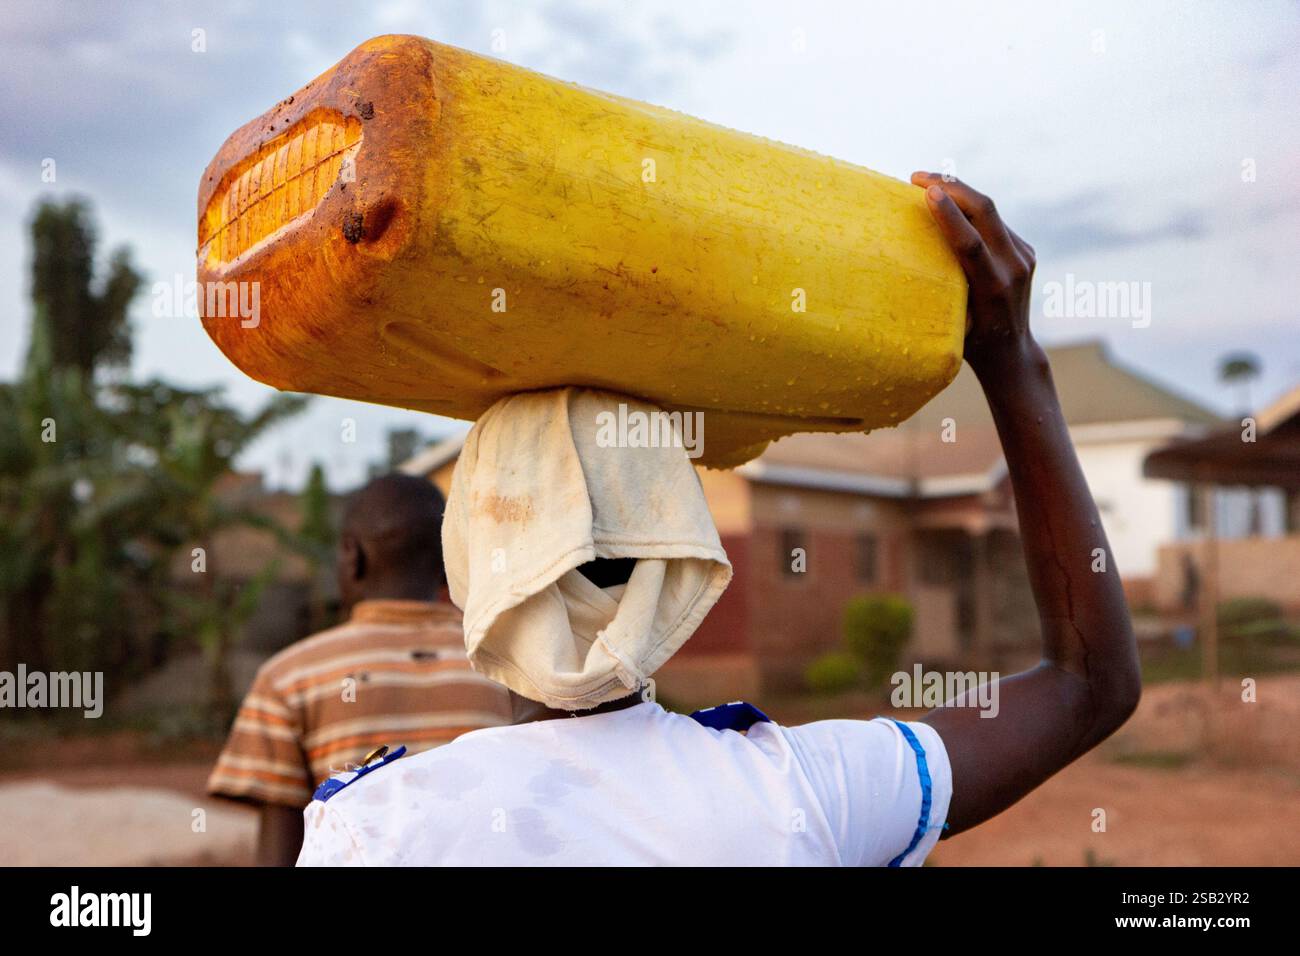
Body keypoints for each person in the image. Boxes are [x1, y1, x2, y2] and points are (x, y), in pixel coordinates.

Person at [295, 175, 1141, 866]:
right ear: (682, 569)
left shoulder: (374, 831)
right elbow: (1088, 685)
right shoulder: (804, 793)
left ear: (461, 583)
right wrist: (1010, 359)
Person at [207, 473, 513, 865]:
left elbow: (280, 853)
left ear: (353, 555)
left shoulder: (288, 678)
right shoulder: (509, 669)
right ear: (448, 558)